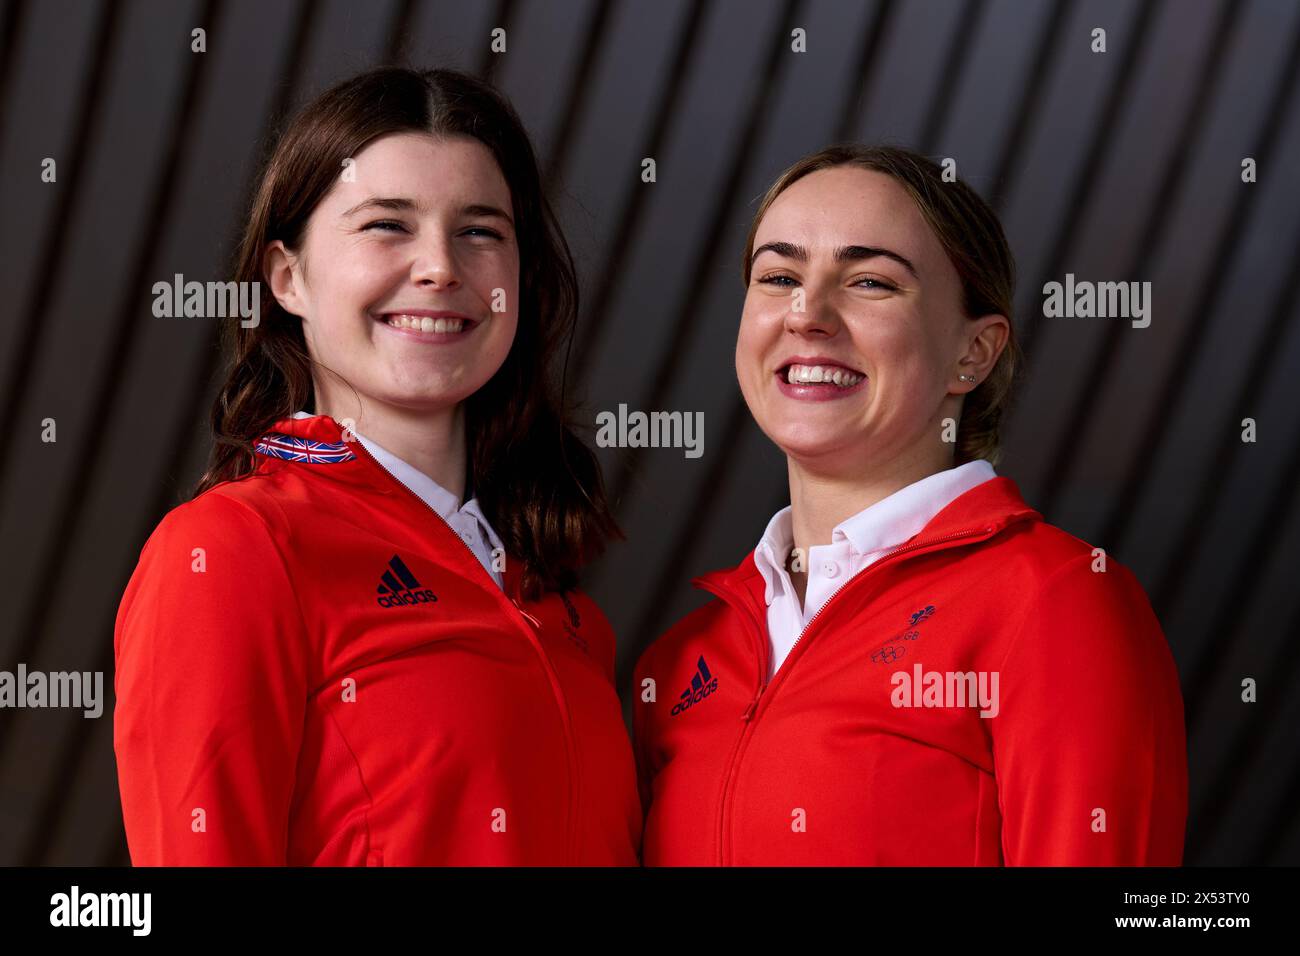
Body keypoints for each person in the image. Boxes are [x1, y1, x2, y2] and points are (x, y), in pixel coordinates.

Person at [113, 67, 640, 865]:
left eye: (481, 231)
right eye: (387, 226)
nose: (439, 267)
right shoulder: (233, 550)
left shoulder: (561, 609)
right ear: (288, 277)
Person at [633, 144, 1187, 866]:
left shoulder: (1054, 600)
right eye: (778, 276)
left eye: (870, 282)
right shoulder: (683, 661)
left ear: (975, 351)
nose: (808, 315)